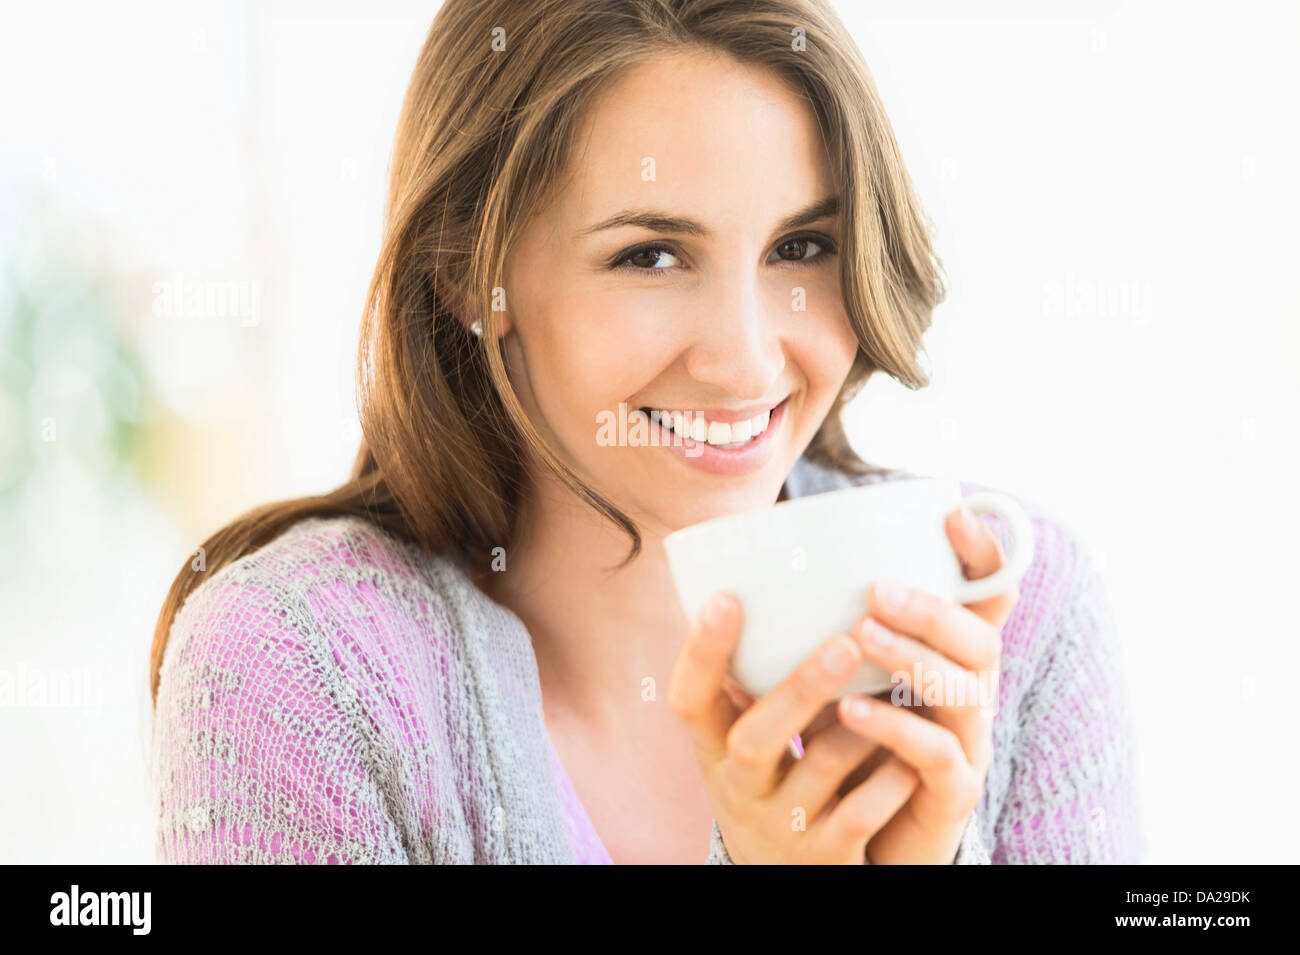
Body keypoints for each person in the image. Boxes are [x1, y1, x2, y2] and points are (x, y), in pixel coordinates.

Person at [149, 0, 1143, 864]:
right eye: (651, 255)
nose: (748, 360)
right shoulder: (301, 668)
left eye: (803, 246)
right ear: (466, 269)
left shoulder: (1020, 619)